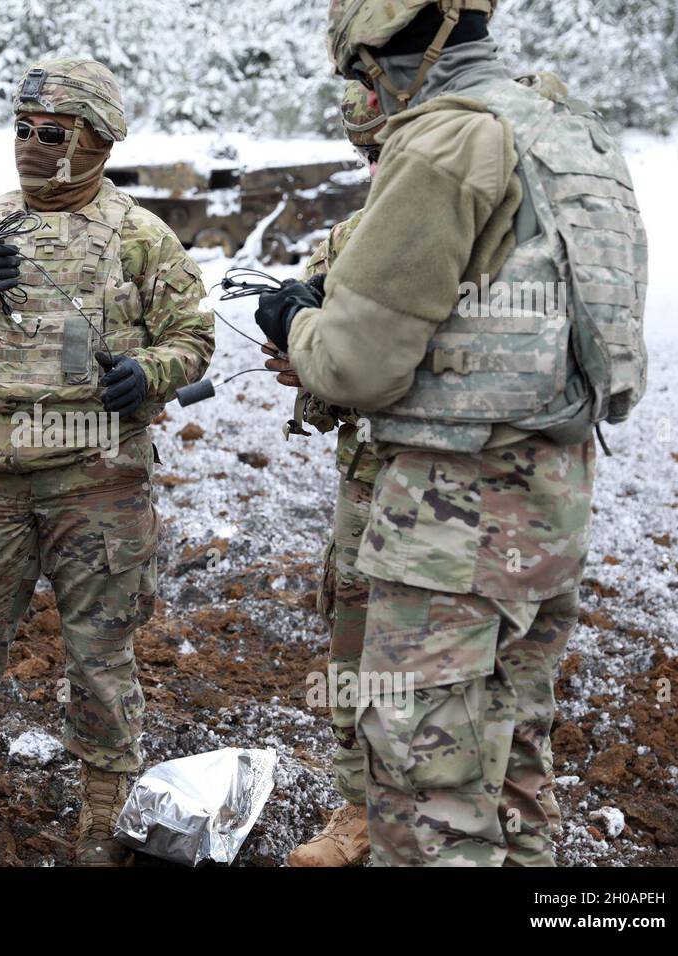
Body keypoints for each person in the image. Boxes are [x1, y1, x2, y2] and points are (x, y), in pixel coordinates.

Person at [256, 0, 647, 865]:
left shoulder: (443, 140)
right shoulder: (566, 125)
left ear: (373, 52)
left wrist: (292, 325)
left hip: (449, 519)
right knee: (510, 761)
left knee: (426, 787)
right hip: (553, 499)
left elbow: (358, 365)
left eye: (362, 73)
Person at [0, 57, 215, 865]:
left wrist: (150, 373)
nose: (31, 148)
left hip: (98, 483)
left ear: (98, 142)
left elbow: (194, 340)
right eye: (22, 131)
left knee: (100, 653)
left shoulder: (142, 238)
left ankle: (104, 820)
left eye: (53, 134)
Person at [278, 80, 384, 868]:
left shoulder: (496, 236)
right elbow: (325, 398)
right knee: (352, 655)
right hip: (369, 489)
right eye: (368, 154)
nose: (382, 167)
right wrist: (303, 359)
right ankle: (360, 809)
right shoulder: (348, 241)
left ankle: (509, 826)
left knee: (483, 671)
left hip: (469, 496)